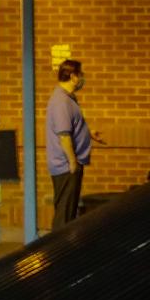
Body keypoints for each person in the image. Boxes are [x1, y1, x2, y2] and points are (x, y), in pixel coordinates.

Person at [46, 60, 92, 228]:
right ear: (73, 76)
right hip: (66, 167)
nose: (82, 78)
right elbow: (64, 135)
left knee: (67, 213)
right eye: (81, 74)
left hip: (68, 165)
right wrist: (72, 162)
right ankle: (58, 244)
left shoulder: (67, 98)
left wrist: (89, 133)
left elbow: (71, 127)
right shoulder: (61, 101)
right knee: (64, 216)